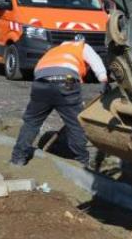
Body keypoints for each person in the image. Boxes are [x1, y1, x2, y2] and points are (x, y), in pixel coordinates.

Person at [10, 34, 109, 166]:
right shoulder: (82, 47)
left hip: (40, 84)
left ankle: (18, 158)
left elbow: (38, 70)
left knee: (31, 122)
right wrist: (104, 81)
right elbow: (96, 62)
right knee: (75, 124)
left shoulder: (54, 50)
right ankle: (81, 161)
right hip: (66, 82)